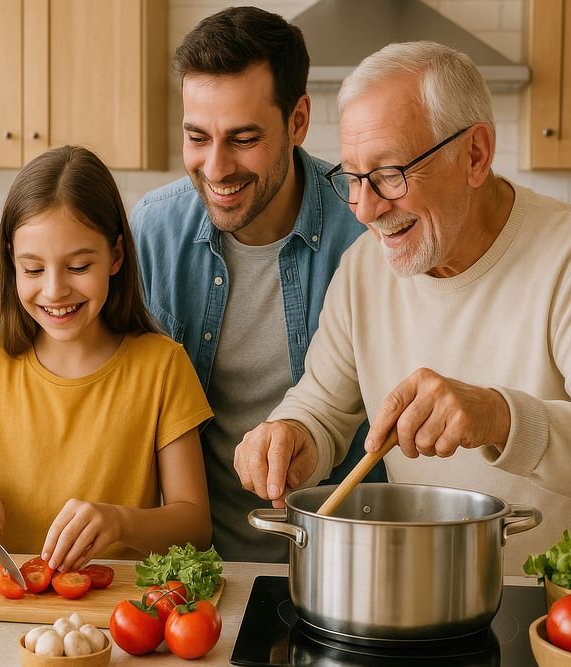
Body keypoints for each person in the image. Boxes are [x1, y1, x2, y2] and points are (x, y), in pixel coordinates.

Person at [236, 40, 571, 573]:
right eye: (352, 177)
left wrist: (499, 416)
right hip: (429, 595)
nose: (366, 208)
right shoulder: (363, 270)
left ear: (475, 155)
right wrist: (291, 435)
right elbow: (322, 407)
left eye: (391, 173)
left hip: (565, 610)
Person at [130, 6, 385, 563]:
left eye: (243, 139)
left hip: (350, 563)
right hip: (200, 569)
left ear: (298, 122)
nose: (216, 168)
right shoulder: (153, 231)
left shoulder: (367, 230)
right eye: (197, 137)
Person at [0, 145, 213, 572]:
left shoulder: (163, 366)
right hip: (17, 605)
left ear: (115, 256)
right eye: (33, 270)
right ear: (11, 262)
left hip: (118, 609)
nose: (55, 291)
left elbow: (195, 524)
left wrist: (120, 522)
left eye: (77, 266)